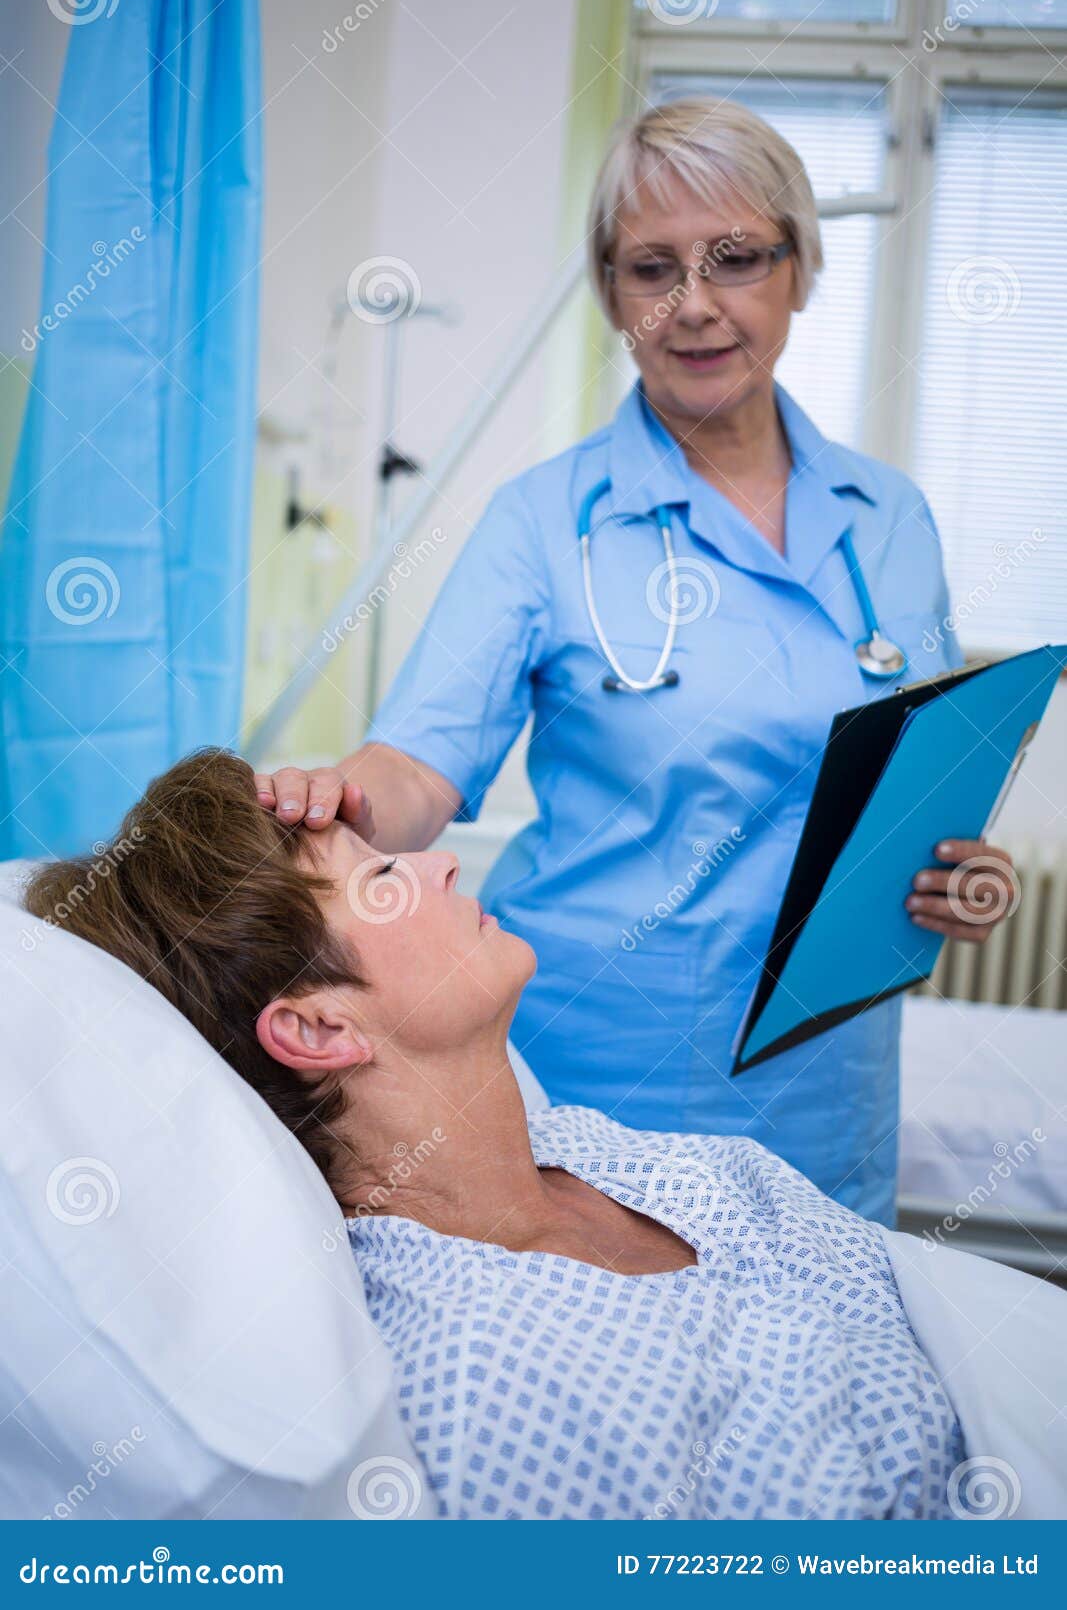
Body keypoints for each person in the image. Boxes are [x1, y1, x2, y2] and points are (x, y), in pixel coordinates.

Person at [255, 96, 1017, 1225]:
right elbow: (416, 765)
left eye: (735, 259)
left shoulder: (890, 517)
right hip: (596, 1073)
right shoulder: (543, 521)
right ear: (612, 294)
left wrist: (952, 876)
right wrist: (339, 798)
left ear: (799, 270)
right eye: (651, 267)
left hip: (826, 1081)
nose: (692, 304)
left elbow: (920, 777)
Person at [23, 747, 966, 1520]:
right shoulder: (483, 1379)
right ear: (317, 1029)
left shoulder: (614, 1155)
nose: (438, 863)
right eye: (381, 875)